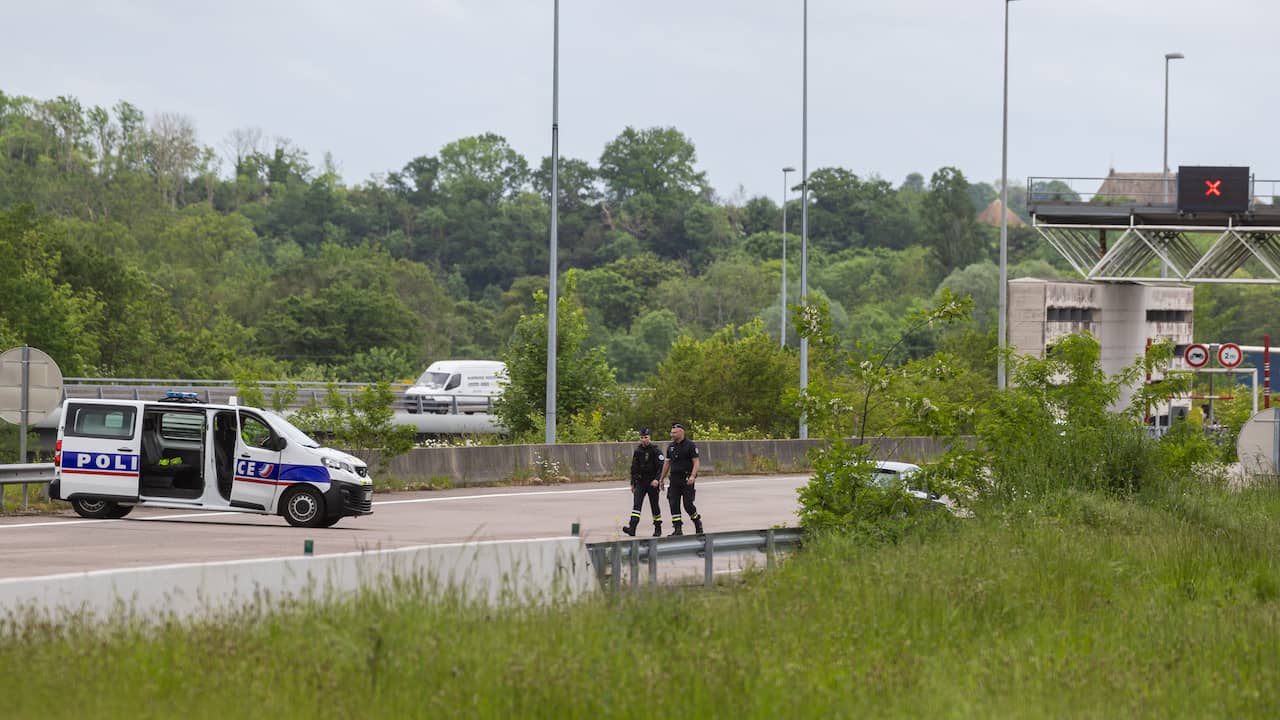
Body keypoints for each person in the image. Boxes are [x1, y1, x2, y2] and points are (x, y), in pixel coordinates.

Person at [659, 422, 703, 535]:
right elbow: (667, 463)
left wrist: (693, 476)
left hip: (687, 479)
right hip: (674, 479)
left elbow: (696, 462)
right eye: (671, 432)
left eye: (674, 432)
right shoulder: (671, 447)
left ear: (681, 432)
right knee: (673, 503)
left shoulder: (690, 445)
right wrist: (661, 479)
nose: (672, 434)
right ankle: (677, 528)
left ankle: (697, 521)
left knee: (688, 504)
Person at [623, 427, 665, 537]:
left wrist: (657, 479)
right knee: (636, 506)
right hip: (640, 482)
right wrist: (632, 483)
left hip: (652, 482)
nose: (643, 440)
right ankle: (632, 528)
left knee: (654, 505)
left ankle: (658, 528)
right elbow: (634, 468)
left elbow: (661, 467)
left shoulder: (656, 451)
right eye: (641, 438)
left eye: (645, 437)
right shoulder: (638, 451)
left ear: (649, 437)